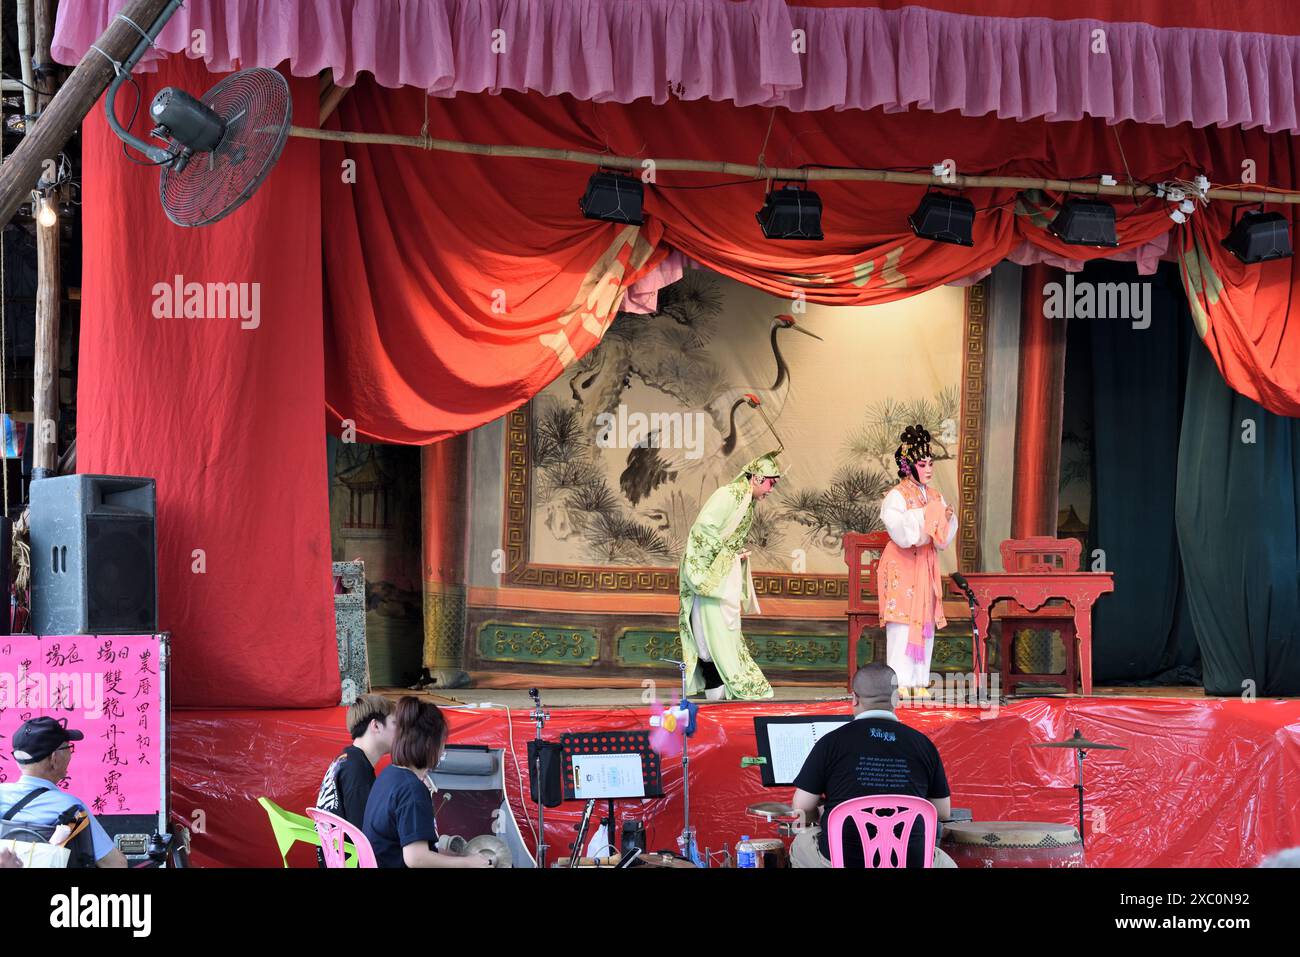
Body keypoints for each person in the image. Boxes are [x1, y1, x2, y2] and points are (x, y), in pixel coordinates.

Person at [790, 663, 955, 868]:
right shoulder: (923, 744)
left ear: (855, 698)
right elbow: (942, 811)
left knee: (800, 843)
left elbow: (801, 807)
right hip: (910, 862)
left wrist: (825, 814)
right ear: (896, 698)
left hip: (842, 862)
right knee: (945, 861)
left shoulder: (831, 742)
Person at [678, 451, 781, 701]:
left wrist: (736, 556)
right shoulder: (728, 494)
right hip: (712, 575)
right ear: (756, 478)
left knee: (725, 631)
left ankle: (722, 692)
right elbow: (703, 530)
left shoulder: (747, 500)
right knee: (709, 633)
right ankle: (717, 691)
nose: (771, 490)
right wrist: (729, 556)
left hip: (724, 572)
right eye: (770, 483)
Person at [362, 696, 490, 868]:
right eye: (442, 743)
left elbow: (398, 845)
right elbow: (416, 859)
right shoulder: (412, 789)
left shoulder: (389, 775)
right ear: (431, 744)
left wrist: (450, 856)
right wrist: (467, 863)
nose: (442, 749)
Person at [878, 424, 958, 698]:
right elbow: (900, 532)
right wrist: (926, 515)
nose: (929, 469)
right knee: (901, 622)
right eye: (923, 464)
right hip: (902, 563)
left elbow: (942, 537)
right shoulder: (896, 496)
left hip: (925, 564)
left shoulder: (935, 495)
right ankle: (899, 680)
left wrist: (944, 517)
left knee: (924, 620)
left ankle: (919, 680)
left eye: (930, 464)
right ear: (907, 466)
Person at [0, 717, 127, 868]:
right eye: (68, 748)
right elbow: (114, 864)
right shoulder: (70, 807)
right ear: (54, 758)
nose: (70, 754)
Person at [314, 694, 396, 866]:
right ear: (376, 725)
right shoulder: (357, 769)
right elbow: (368, 835)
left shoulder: (345, 759)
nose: (401, 731)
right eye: (395, 723)